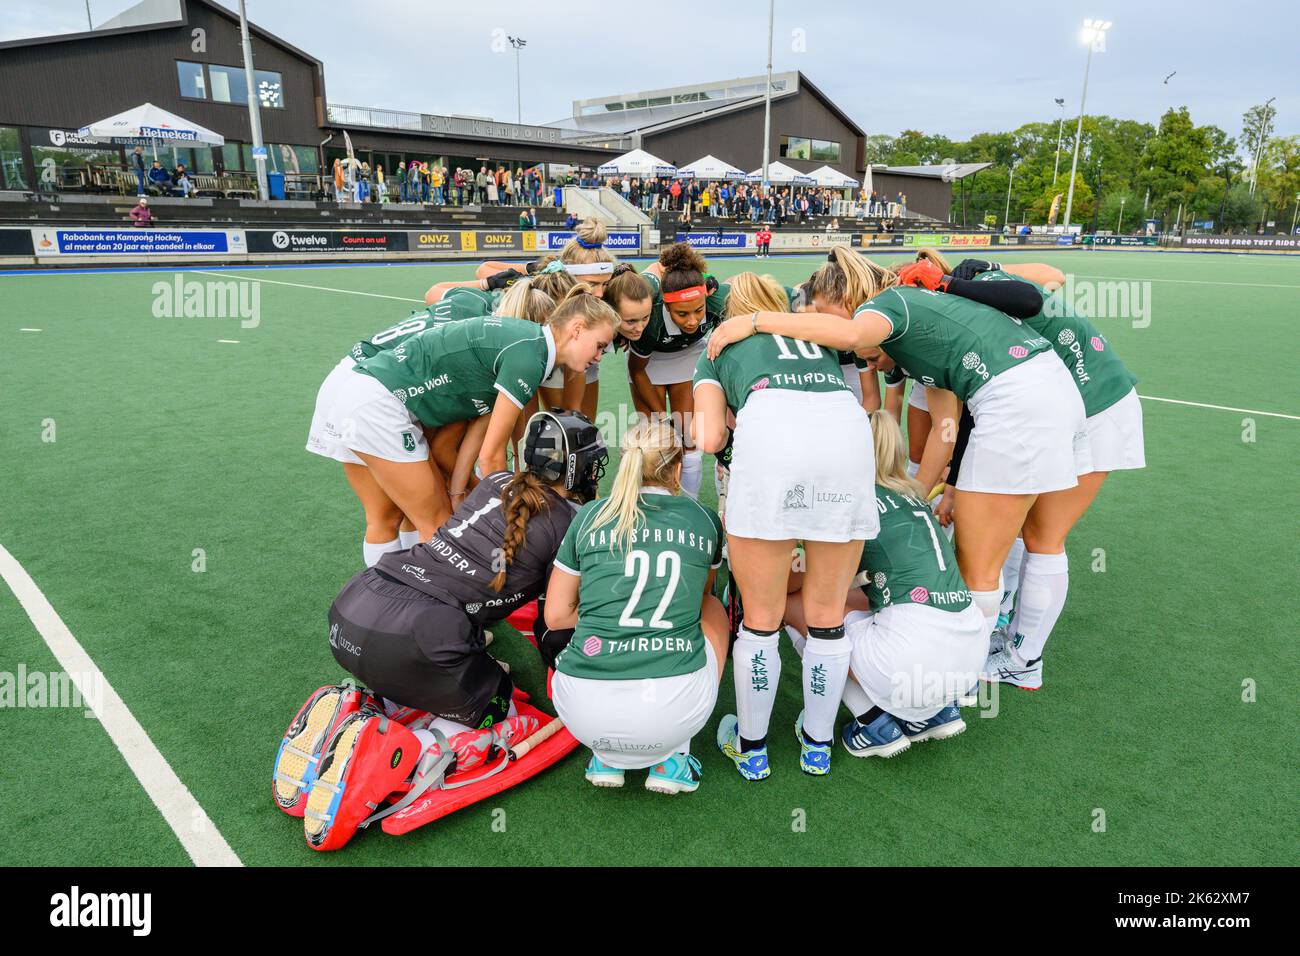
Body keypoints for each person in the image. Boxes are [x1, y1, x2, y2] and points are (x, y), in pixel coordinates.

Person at [705, 246, 1088, 658]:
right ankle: (982, 661)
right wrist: (919, 496)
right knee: (996, 548)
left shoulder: (886, 304)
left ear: (847, 299)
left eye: (820, 314)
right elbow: (948, 427)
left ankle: (971, 671)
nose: (814, 326)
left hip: (1017, 405)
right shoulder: (913, 324)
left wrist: (755, 321)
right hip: (1038, 399)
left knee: (978, 565)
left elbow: (852, 335)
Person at [283, 412, 607, 845]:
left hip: (356, 606)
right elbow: (556, 620)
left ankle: (359, 710)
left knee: (445, 664)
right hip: (419, 635)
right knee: (499, 713)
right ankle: (407, 749)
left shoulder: (495, 483)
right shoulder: (572, 522)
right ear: (578, 468)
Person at [918, 255, 1144, 690]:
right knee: (1027, 532)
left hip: (1095, 409)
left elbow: (1029, 294)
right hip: (1085, 406)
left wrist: (947, 284)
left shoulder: (982, 299)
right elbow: (1049, 278)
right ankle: (1016, 643)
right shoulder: (992, 284)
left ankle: (1023, 658)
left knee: (1043, 538)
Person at [693, 271, 878, 778]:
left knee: (761, 618)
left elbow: (708, 439)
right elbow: (868, 398)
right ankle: (816, 745)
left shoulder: (718, 347)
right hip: (845, 440)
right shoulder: (812, 334)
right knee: (826, 616)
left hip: (771, 445)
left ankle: (753, 748)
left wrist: (733, 418)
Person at [306, 289, 618, 555]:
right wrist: (510, 520)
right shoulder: (529, 357)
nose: (599, 357)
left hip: (365, 393)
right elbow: (491, 456)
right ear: (577, 329)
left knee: (398, 517)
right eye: (600, 345)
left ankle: (397, 603)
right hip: (377, 404)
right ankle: (422, 612)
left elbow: (460, 447)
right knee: (437, 522)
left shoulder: (526, 343)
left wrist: (461, 491)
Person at [782, 410, 985, 755]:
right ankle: (932, 712)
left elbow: (797, 584)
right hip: (968, 654)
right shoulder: (915, 497)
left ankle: (873, 720)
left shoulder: (851, 500)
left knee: (794, 607)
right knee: (856, 604)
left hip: (912, 655)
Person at [545, 419, 728, 794]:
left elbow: (556, 615)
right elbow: (696, 599)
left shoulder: (587, 516)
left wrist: (605, 611)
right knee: (713, 609)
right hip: (670, 710)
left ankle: (606, 756)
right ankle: (672, 759)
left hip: (583, 711)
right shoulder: (704, 518)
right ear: (677, 468)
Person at [628, 243, 726, 500]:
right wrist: (661, 416)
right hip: (648, 364)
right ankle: (651, 505)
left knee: (688, 437)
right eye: (682, 314)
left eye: (698, 310)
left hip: (688, 355)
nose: (693, 320)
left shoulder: (718, 300)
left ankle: (689, 506)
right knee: (656, 438)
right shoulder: (650, 320)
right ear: (668, 307)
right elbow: (636, 370)